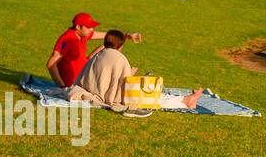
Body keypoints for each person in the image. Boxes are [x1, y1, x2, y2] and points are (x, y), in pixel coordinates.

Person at [68, 30, 203, 113]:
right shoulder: (120, 59)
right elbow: (124, 87)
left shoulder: (99, 54)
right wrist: (131, 74)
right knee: (151, 98)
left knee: (153, 95)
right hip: (110, 97)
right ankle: (186, 101)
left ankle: (185, 100)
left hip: (94, 91)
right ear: (120, 46)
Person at [45, 12, 143, 88]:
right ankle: (126, 75)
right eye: (88, 27)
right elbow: (51, 63)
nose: (91, 30)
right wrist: (62, 86)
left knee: (110, 44)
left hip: (84, 72)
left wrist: (127, 35)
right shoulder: (67, 39)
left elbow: (109, 36)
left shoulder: (82, 34)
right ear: (78, 27)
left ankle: (124, 75)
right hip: (75, 82)